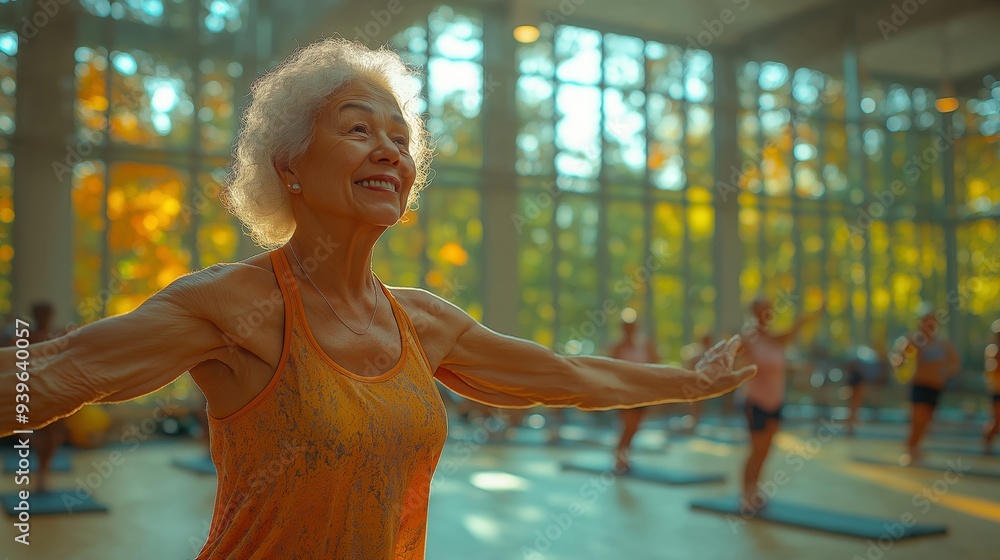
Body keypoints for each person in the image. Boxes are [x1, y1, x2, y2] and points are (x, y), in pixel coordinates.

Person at [0, 39, 756, 560]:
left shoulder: (422, 321)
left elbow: (566, 375)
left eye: (400, 138)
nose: (389, 150)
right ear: (289, 166)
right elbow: (56, 371)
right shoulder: (236, 304)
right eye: (358, 129)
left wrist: (691, 381)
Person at [738, 296, 824, 514]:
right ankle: (746, 494)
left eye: (768, 309)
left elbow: (797, 326)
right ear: (753, 313)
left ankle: (755, 489)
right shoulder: (748, 340)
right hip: (755, 401)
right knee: (756, 449)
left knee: (766, 450)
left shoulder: (775, 340)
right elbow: (735, 358)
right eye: (761, 309)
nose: (766, 313)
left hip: (776, 402)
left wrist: (816, 312)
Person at [891, 307, 960, 463]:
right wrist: (900, 367)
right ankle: (910, 450)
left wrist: (945, 374)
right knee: (918, 419)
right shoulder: (915, 341)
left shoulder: (943, 343)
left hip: (935, 387)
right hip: (919, 385)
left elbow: (955, 362)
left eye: (932, 321)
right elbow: (900, 359)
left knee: (927, 421)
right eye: (926, 321)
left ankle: (916, 447)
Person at [609, 308, 661, 473]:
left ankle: (624, 453)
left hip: (642, 391)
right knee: (628, 425)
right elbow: (611, 369)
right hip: (625, 392)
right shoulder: (617, 347)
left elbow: (655, 365)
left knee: (635, 427)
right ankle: (619, 456)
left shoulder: (645, 344)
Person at [982, 320, 1000, 454]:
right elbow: (991, 370)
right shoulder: (992, 350)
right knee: (997, 420)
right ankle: (986, 442)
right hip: (997, 391)